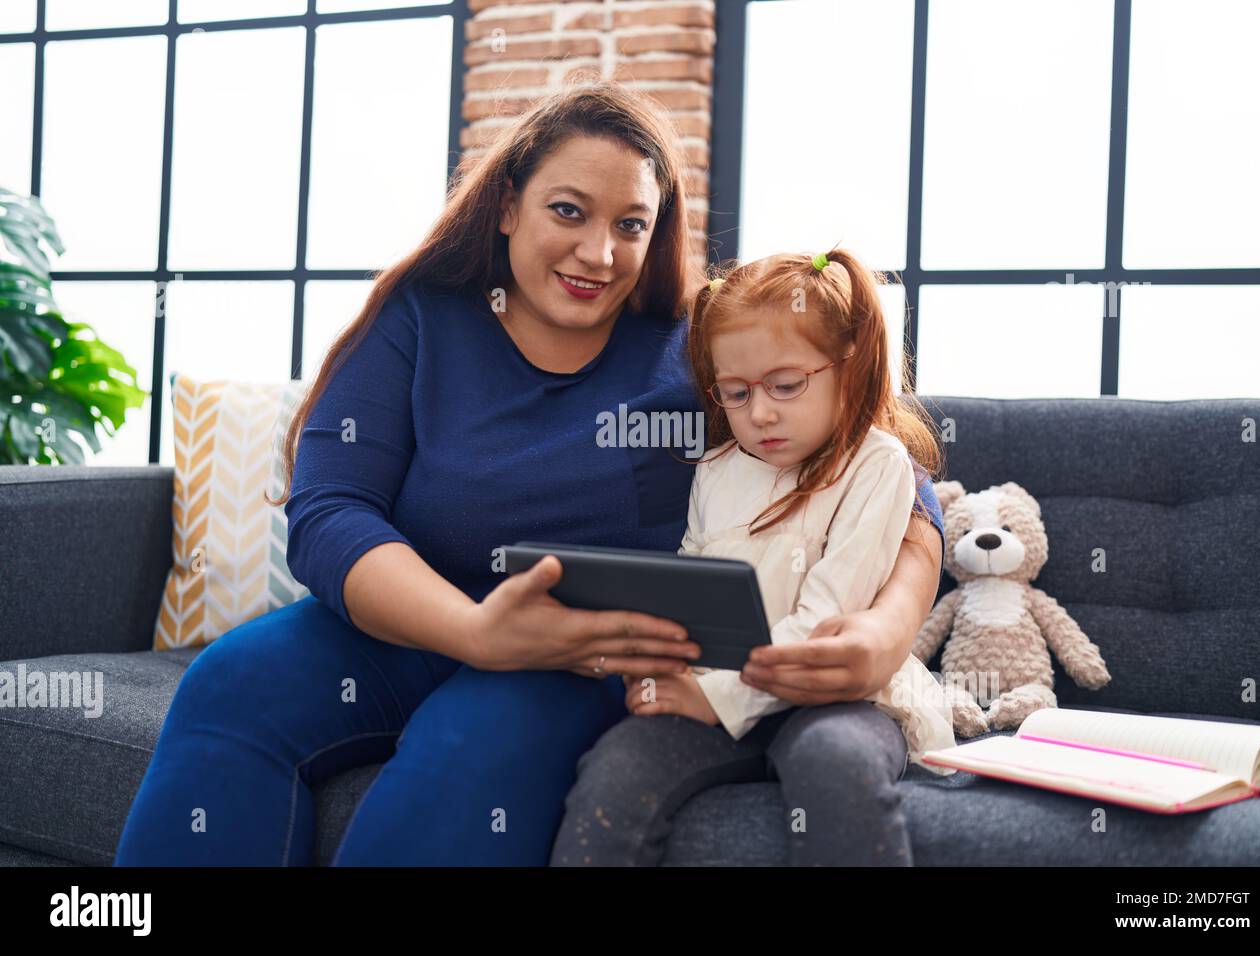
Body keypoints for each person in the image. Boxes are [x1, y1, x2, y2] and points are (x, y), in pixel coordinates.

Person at [113, 80, 947, 867]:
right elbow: (332, 509)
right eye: (568, 211)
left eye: (631, 225)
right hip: (400, 626)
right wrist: (470, 630)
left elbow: (889, 478)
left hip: (583, 655)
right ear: (508, 206)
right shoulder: (421, 320)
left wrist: (885, 633)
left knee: (470, 747)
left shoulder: (694, 347)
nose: (599, 251)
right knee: (230, 684)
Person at [551, 249, 956, 867]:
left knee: (835, 762)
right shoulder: (715, 469)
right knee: (619, 763)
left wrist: (714, 700)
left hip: (839, 700)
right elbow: (687, 584)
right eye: (735, 393)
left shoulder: (877, 465)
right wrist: (660, 669)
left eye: (786, 386)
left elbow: (826, 619)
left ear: (849, 369)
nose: (759, 413)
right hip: (717, 688)